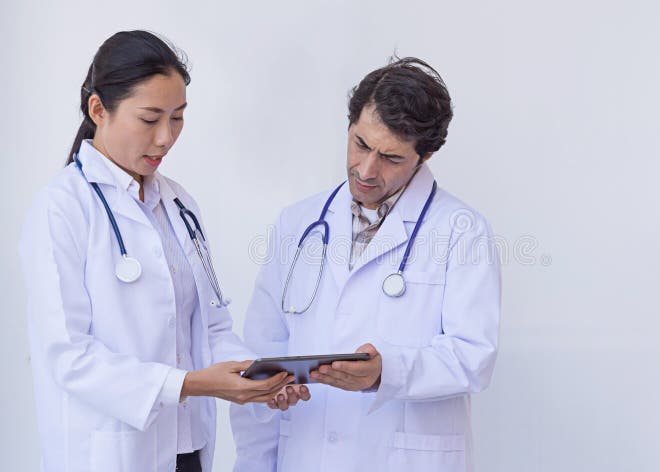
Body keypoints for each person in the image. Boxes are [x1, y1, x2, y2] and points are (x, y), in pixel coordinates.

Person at [18, 30, 296, 472]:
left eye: (178, 117)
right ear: (98, 110)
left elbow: (210, 326)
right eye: (150, 119)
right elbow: (68, 356)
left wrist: (256, 376)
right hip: (112, 454)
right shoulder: (62, 207)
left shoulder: (180, 205)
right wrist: (186, 385)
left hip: (186, 450)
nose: (167, 137)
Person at [230, 57, 501, 472]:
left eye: (391, 157)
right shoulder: (297, 223)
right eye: (360, 143)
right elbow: (262, 353)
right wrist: (268, 399)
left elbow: (473, 355)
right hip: (304, 452)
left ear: (424, 155)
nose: (366, 170)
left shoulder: (462, 230)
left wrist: (384, 373)